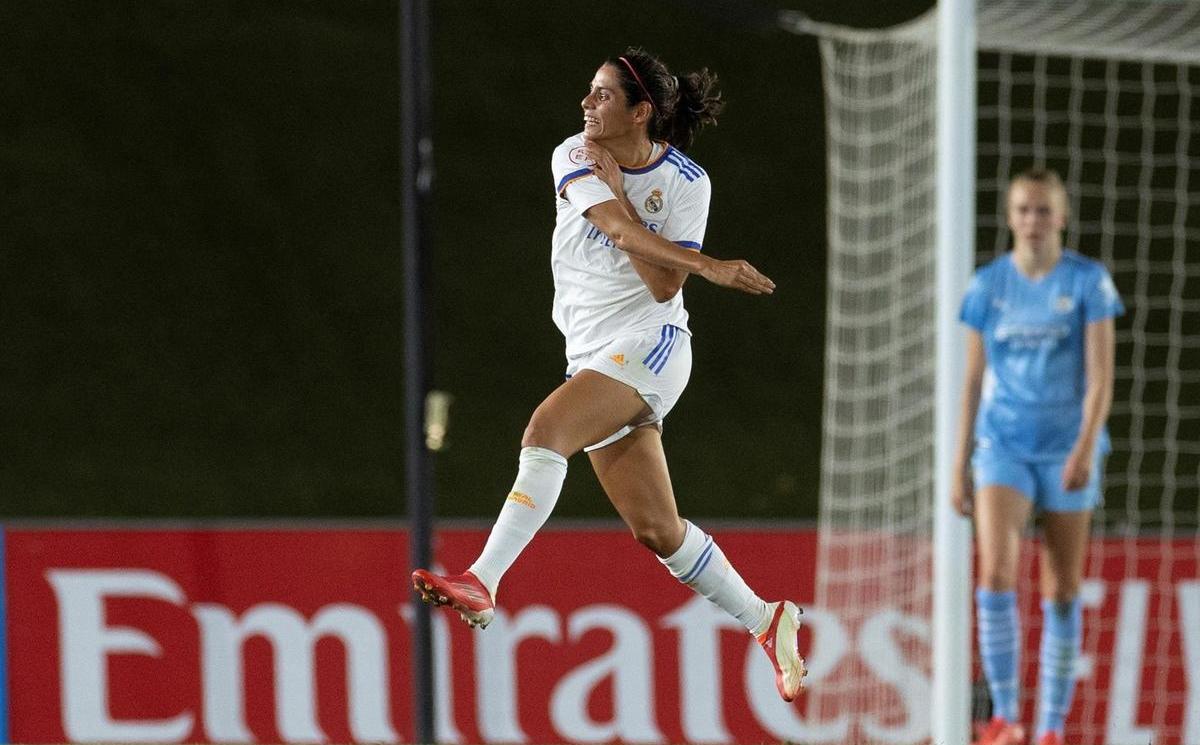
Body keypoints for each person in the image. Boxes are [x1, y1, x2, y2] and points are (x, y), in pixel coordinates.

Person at [412, 47, 807, 702]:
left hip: (653, 345)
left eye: (601, 94)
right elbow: (619, 232)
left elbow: (662, 287)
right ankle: (766, 618)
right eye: (589, 91)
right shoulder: (574, 153)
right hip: (592, 356)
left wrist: (648, 220)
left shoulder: (687, 182)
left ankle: (483, 578)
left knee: (546, 431)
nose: (586, 104)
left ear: (640, 111)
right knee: (658, 531)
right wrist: (709, 264)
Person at [952, 168, 1124, 745]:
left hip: (1067, 450)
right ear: (1009, 217)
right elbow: (972, 380)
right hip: (1002, 446)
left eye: (1043, 210)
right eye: (1023, 209)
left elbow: (1101, 378)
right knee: (996, 572)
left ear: (1062, 217)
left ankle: (1051, 727)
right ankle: (1007, 716)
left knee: (1063, 589)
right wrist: (958, 464)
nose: (1033, 220)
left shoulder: (1088, 282)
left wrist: (1084, 448)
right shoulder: (987, 285)